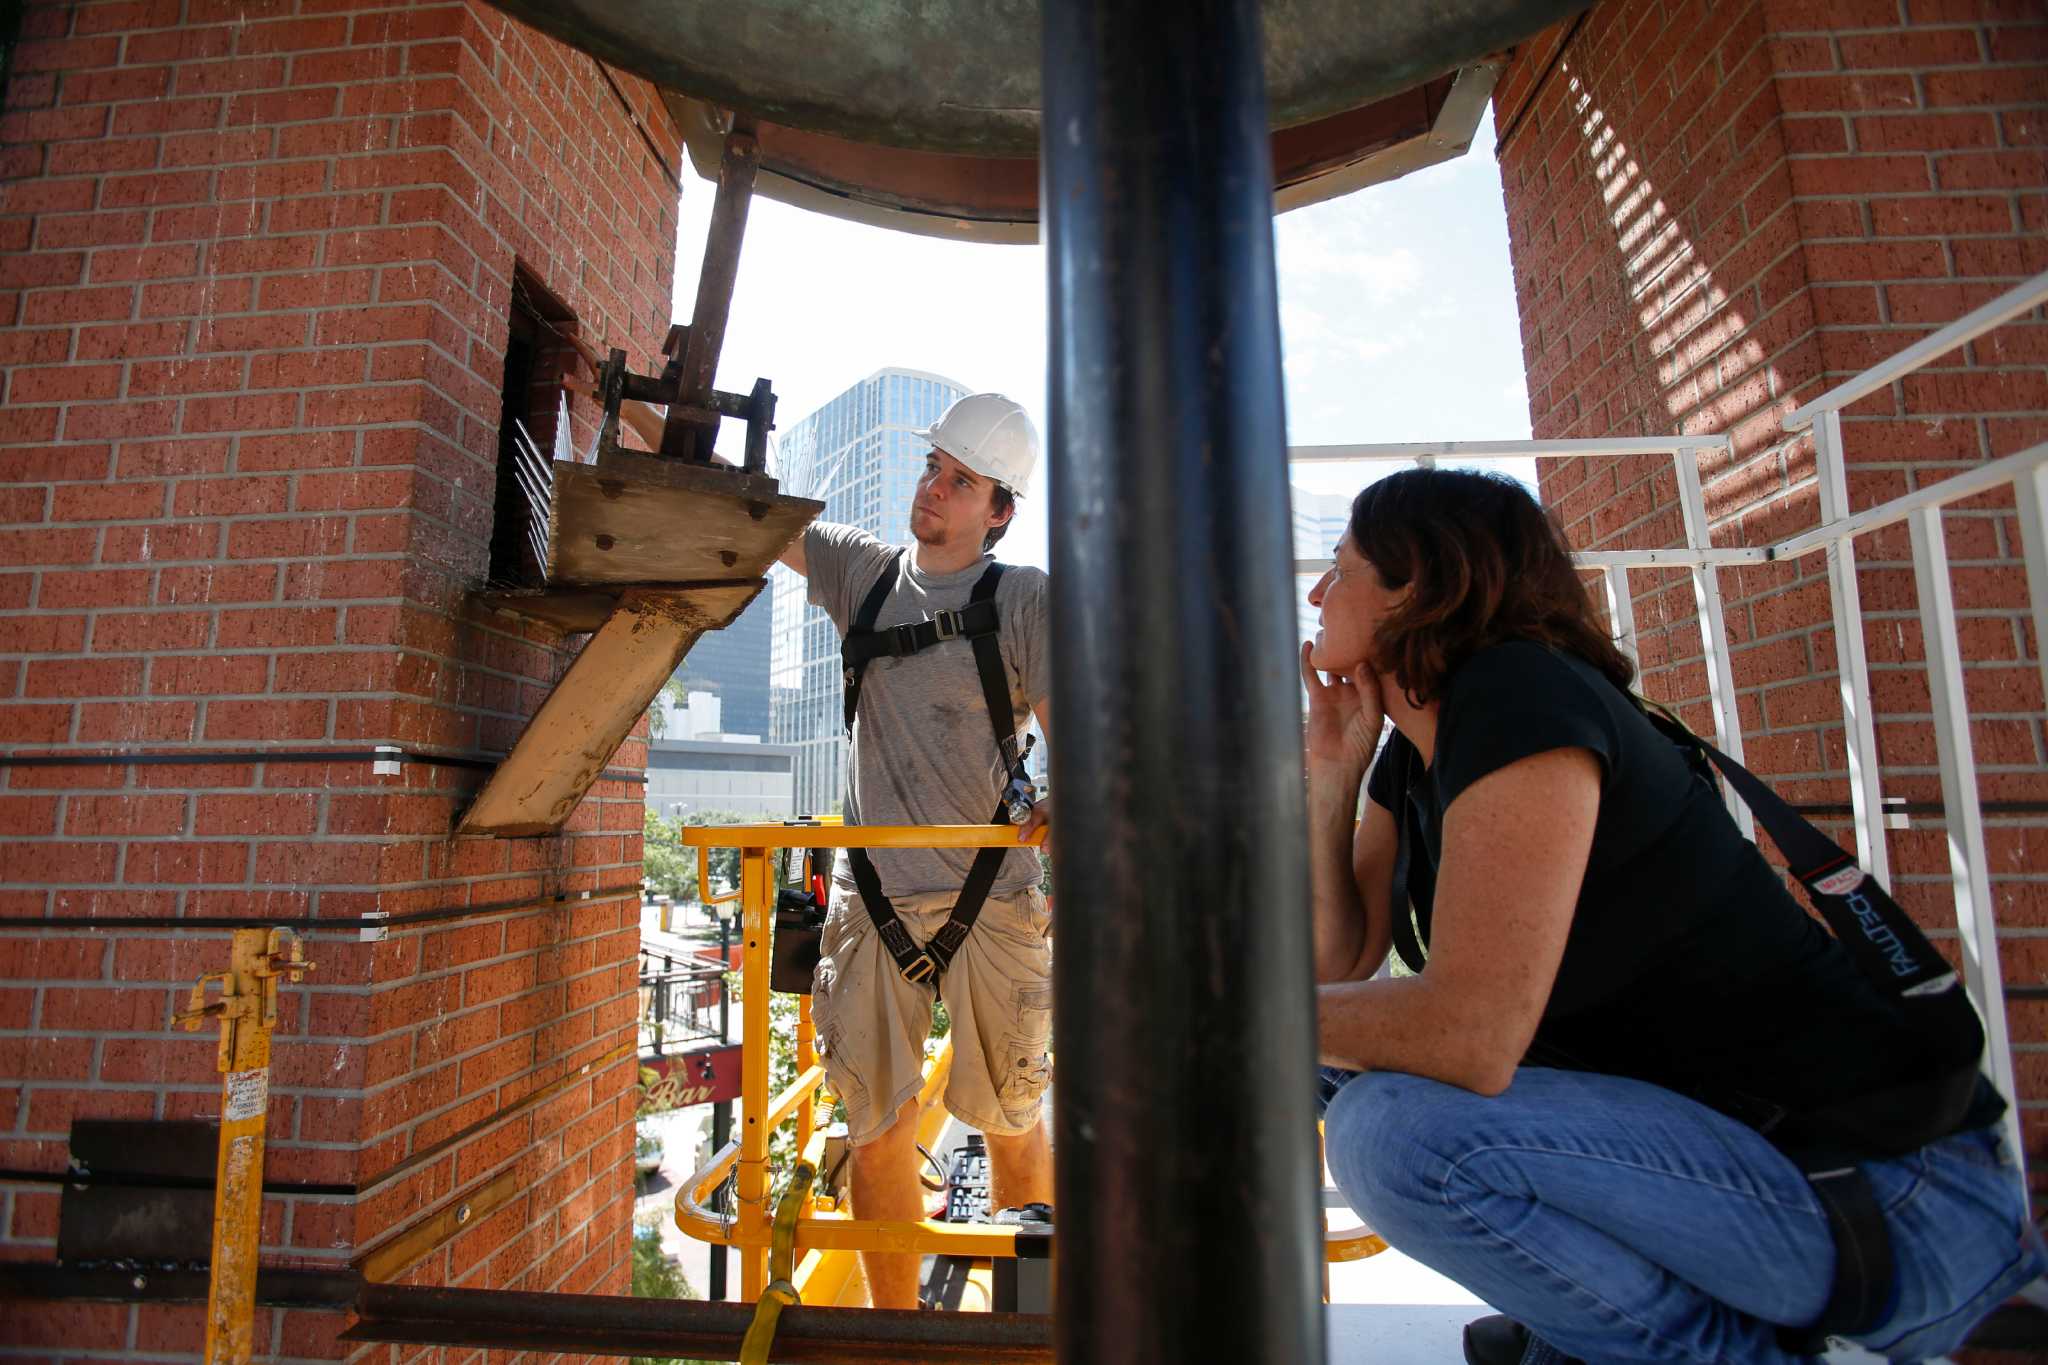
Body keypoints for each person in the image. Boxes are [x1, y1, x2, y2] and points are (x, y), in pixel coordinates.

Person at [1301, 467, 2041, 1364]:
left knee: (1393, 1132)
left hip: (1886, 1199)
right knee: (1329, 1063)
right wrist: (1333, 775)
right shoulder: (1416, 754)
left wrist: (1213, 1018)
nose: (1318, 592)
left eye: (1341, 566)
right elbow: (1336, 968)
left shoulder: (1518, 693)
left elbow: (1467, 1031)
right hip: (1748, 1189)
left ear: (1415, 583)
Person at [778, 391, 1053, 1309]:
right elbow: (758, 515)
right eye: (934, 467)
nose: (933, 487)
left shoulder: (1023, 600)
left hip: (991, 897)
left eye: (960, 480)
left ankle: (1030, 1337)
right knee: (876, 1132)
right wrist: (640, 420)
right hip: (872, 896)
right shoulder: (863, 573)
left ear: (999, 510)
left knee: (1012, 1125)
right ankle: (896, 1339)